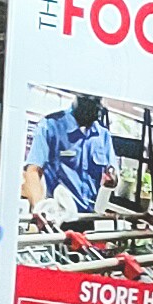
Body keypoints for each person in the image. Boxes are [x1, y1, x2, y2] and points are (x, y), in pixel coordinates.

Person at [27, 92, 116, 229]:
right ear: (79, 100)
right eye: (91, 104)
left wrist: (112, 180)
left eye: (98, 103)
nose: (97, 110)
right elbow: (33, 171)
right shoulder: (51, 126)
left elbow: (112, 176)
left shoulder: (103, 135)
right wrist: (40, 209)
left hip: (90, 219)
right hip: (59, 218)